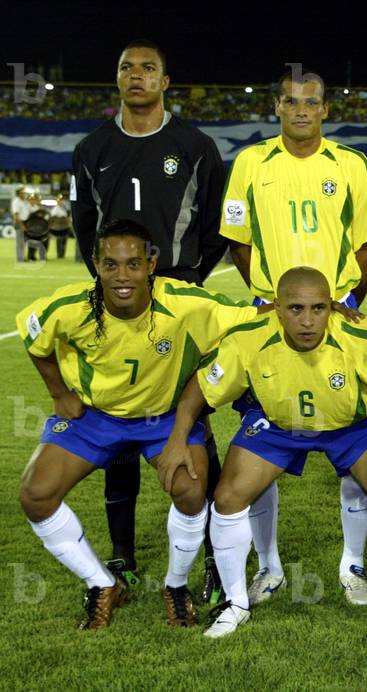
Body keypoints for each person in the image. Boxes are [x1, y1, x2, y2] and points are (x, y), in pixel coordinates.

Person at [15, 219, 258, 630]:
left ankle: (175, 584)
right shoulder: (68, 306)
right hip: (95, 417)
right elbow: (32, 336)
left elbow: (259, 317)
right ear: (95, 265)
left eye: (132, 264)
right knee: (36, 495)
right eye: (110, 265)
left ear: (151, 264)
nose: (122, 276)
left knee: (191, 488)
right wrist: (59, 393)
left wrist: (327, 305)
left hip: (162, 419)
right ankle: (102, 584)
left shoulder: (187, 303)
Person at [162, 267, 367, 640]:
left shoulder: (362, 335)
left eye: (318, 308)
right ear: (276, 308)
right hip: (280, 427)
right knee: (228, 497)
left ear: (333, 306)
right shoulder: (248, 339)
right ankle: (236, 603)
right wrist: (176, 440)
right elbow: (201, 389)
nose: (308, 320)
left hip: (353, 425)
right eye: (296, 309)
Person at [69, 39, 229, 601]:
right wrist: (111, 283)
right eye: (125, 68)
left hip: (178, 304)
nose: (135, 76)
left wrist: (186, 283)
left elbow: (215, 228)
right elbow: (83, 224)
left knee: (191, 419)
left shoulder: (196, 146)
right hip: (116, 304)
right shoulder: (91, 148)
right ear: (116, 80)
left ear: (166, 81)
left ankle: (211, 553)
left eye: (148, 68)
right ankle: (122, 554)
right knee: (118, 416)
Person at [219, 68, 367, 607]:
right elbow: (238, 241)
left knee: (353, 435)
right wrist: (266, 299)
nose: (301, 110)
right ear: (278, 108)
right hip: (270, 319)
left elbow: (366, 246)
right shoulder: (250, 162)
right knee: (262, 439)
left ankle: (353, 565)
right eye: (290, 101)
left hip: (336, 317)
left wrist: (344, 303)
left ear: (326, 110)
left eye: (311, 102)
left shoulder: (351, 165)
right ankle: (268, 567)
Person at [48, 193, 73, 259]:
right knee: (59, 241)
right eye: (59, 200)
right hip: (58, 228)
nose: (61, 201)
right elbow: (53, 219)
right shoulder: (55, 209)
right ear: (57, 201)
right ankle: (59, 254)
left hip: (64, 227)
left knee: (64, 241)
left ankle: (62, 254)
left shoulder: (64, 209)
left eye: (61, 200)